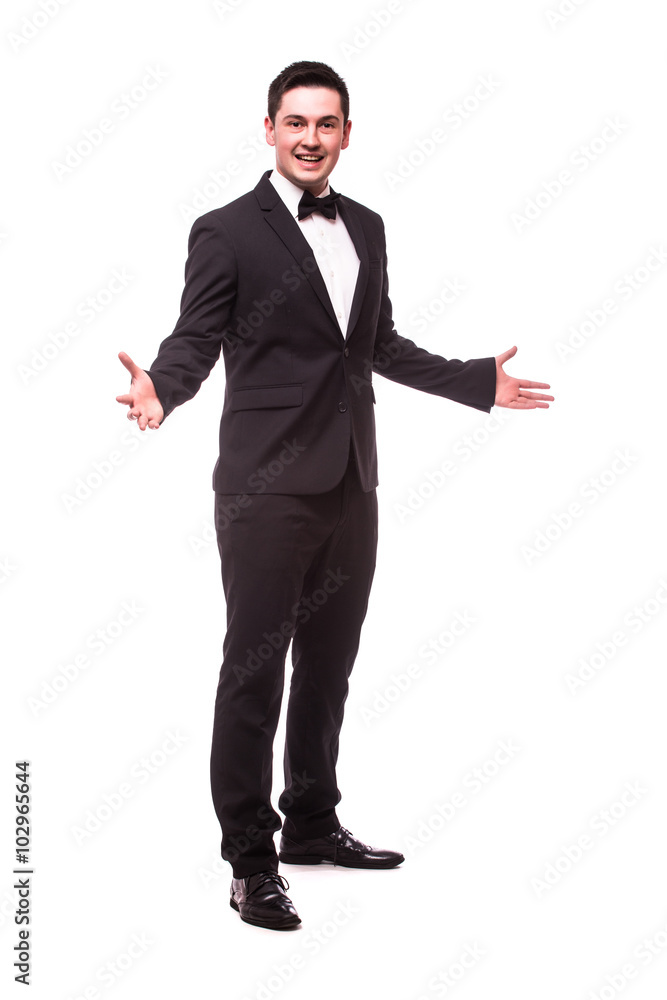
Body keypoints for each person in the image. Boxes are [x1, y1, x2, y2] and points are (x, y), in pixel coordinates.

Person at [116, 60, 553, 931]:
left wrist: (474, 382)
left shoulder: (368, 227)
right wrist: (162, 387)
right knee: (253, 671)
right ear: (270, 131)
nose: (311, 137)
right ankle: (249, 860)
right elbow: (197, 336)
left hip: (354, 479)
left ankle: (310, 823)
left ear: (347, 133)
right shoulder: (226, 230)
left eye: (327, 123)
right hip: (266, 488)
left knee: (328, 664)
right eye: (296, 122)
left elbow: (375, 342)